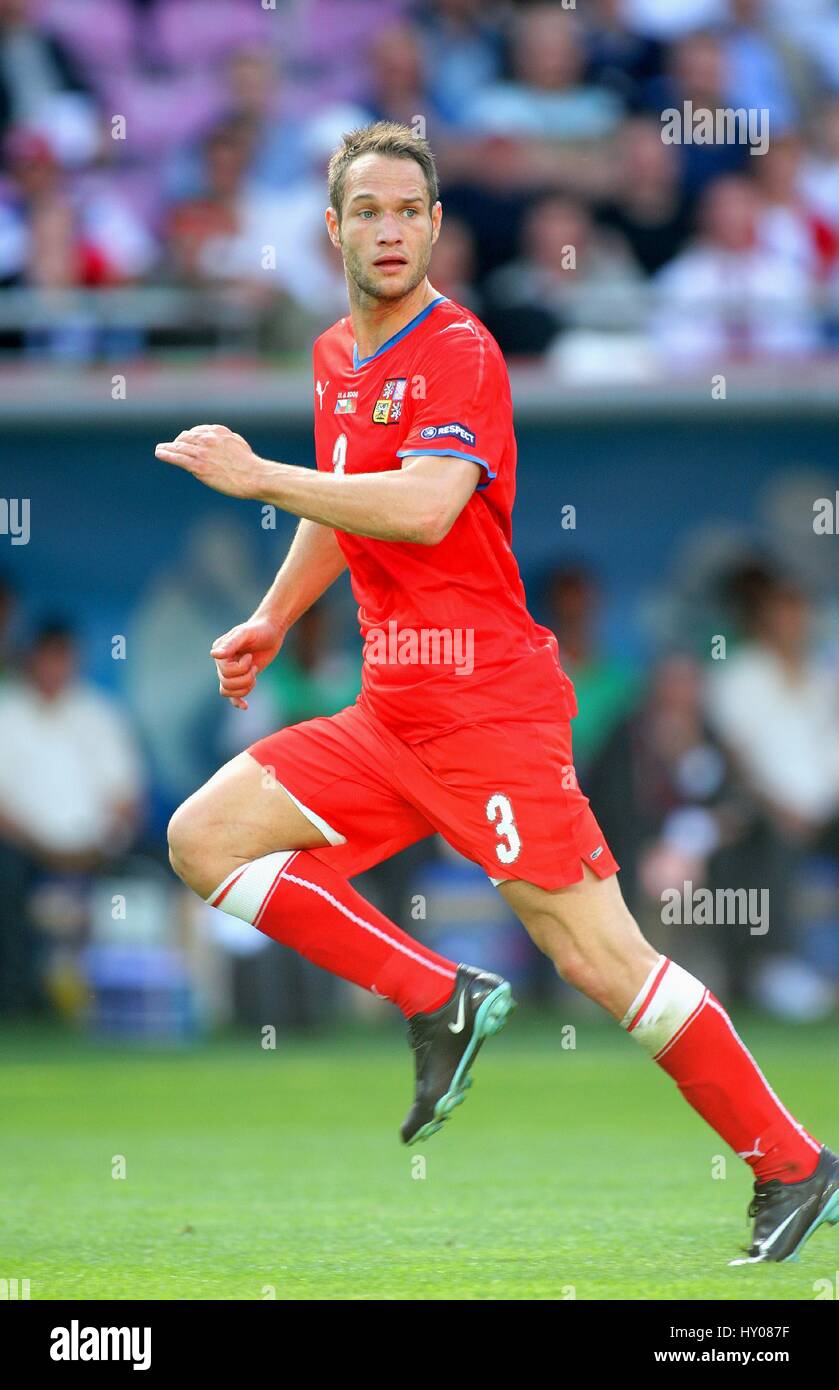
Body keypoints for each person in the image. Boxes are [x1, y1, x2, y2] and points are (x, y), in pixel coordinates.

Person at [157, 121, 838, 1266]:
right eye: (365, 211)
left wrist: (256, 475)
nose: (387, 229)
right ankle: (438, 995)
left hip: (488, 711)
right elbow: (348, 500)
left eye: (408, 210)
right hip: (388, 712)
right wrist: (273, 617)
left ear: (434, 227)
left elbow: (420, 505)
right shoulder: (336, 358)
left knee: (599, 962)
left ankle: (790, 1163)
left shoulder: (460, 349)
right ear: (332, 230)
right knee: (203, 838)